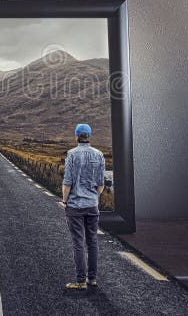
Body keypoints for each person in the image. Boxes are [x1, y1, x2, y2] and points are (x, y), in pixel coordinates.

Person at [60, 123, 105, 290]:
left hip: (75, 205)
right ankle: (92, 279)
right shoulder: (99, 155)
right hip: (92, 204)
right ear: (89, 136)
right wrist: (93, 198)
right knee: (92, 241)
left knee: (78, 242)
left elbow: (67, 182)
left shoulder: (72, 154)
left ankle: (80, 281)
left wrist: (64, 201)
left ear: (76, 136)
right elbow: (101, 184)